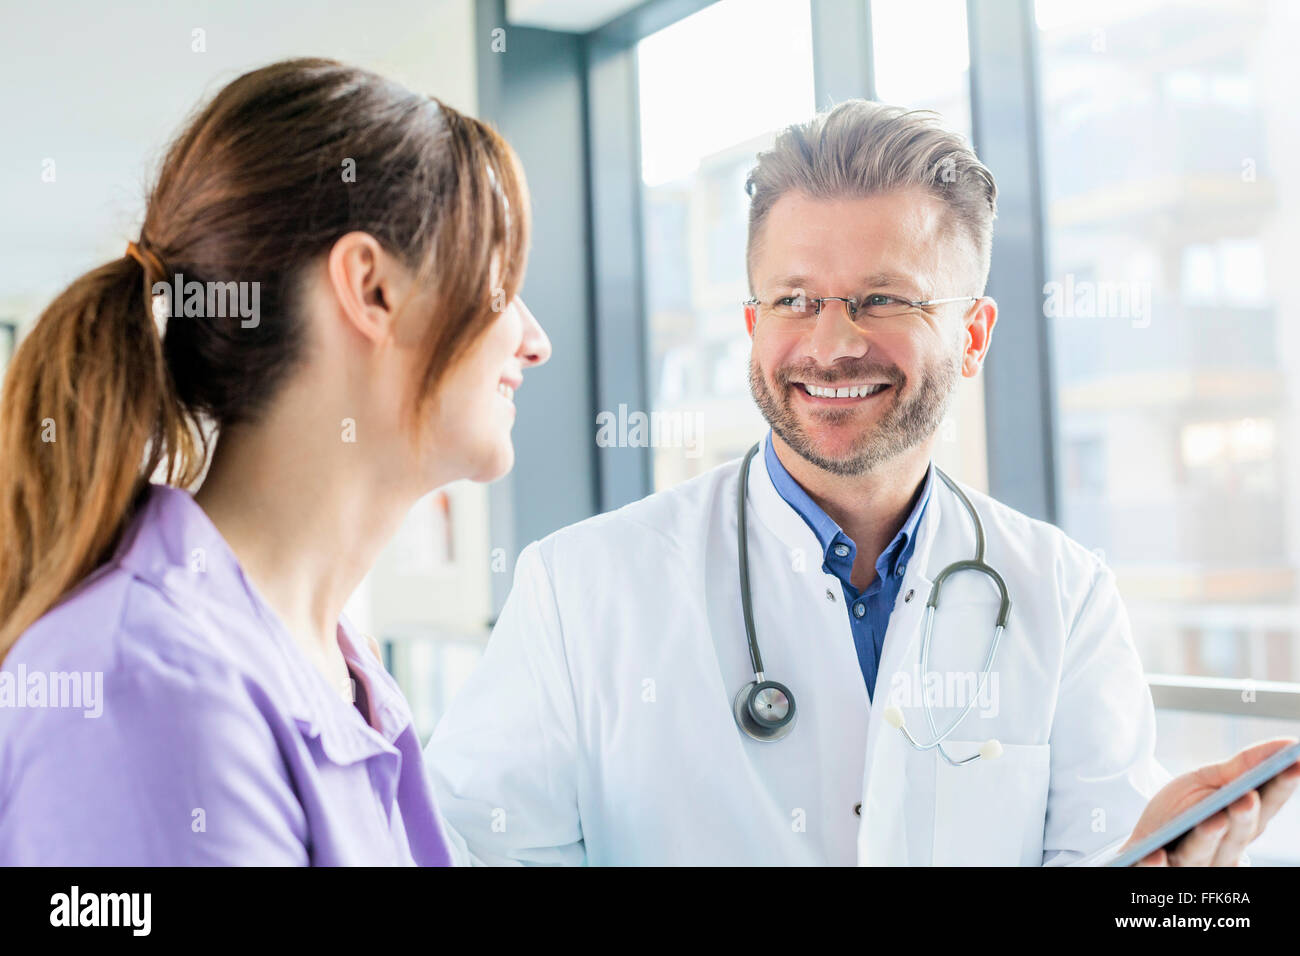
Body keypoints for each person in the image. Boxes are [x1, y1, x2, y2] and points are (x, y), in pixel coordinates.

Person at [425, 101, 1299, 866]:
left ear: (973, 335)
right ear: (751, 324)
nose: (832, 342)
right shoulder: (580, 589)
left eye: (884, 299)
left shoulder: (1064, 597)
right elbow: (477, 852)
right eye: (795, 300)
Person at [0, 58, 551, 865]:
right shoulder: (147, 691)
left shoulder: (345, 682)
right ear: (372, 290)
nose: (535, 342)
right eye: (502, 280)